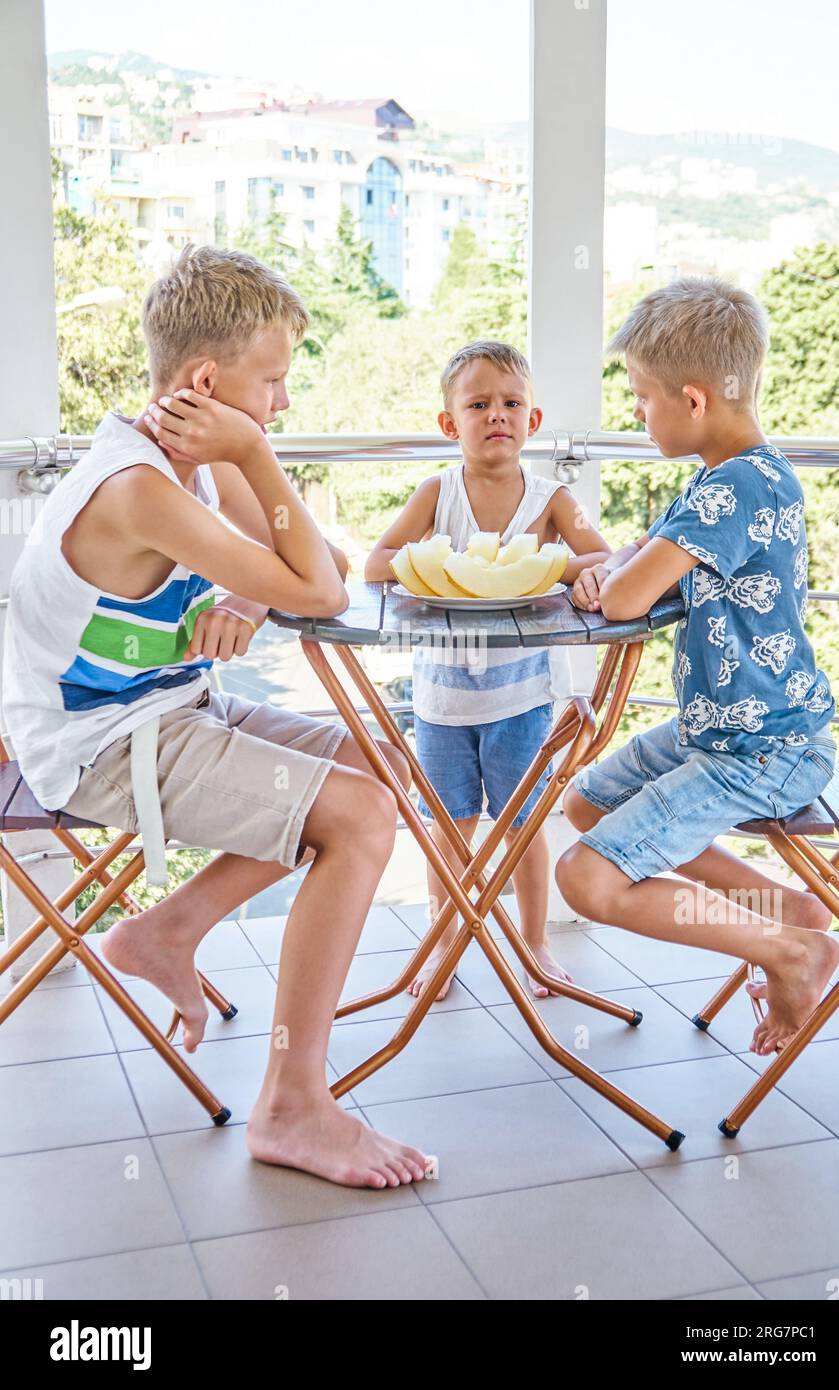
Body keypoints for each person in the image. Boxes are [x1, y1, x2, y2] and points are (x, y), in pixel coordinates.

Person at [3, 244, 431, 1189]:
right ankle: (291, 1107)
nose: (282, 404)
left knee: (377, 761)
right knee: (356, 816)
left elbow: (307, 559)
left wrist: (252, 590)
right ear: (207, 380)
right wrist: (253, 458)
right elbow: (322, 590)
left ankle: (164, 930)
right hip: (98, 744)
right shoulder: (142, 486)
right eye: (272, 382)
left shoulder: (186, 455)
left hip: (167, 707)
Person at [559, 277, 839, 1056]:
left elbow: (623, 599)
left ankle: (789, 951)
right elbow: (636, 568)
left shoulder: (730, 488)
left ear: (692, 398)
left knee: (587, 878)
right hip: (723, 732)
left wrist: (606, 579)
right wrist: (609, 569)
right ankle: (783, 906)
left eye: (641, 398)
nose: (638, 415)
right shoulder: (741, 476)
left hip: (765, 749)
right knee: (586, 805)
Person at [366, 341, 611, 1000]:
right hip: (442, 704)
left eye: (511, 403)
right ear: (450, 424)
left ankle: (535, 943)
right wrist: (438, 561)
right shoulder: (434, 491)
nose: (496, 415)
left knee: (522, 825)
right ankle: (441, 944)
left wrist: (545, 567)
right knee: (448, 830)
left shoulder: (554, 499)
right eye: (478, 405)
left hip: (521, 699)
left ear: (533, 421)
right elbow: (375, 563)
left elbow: (602, 557)